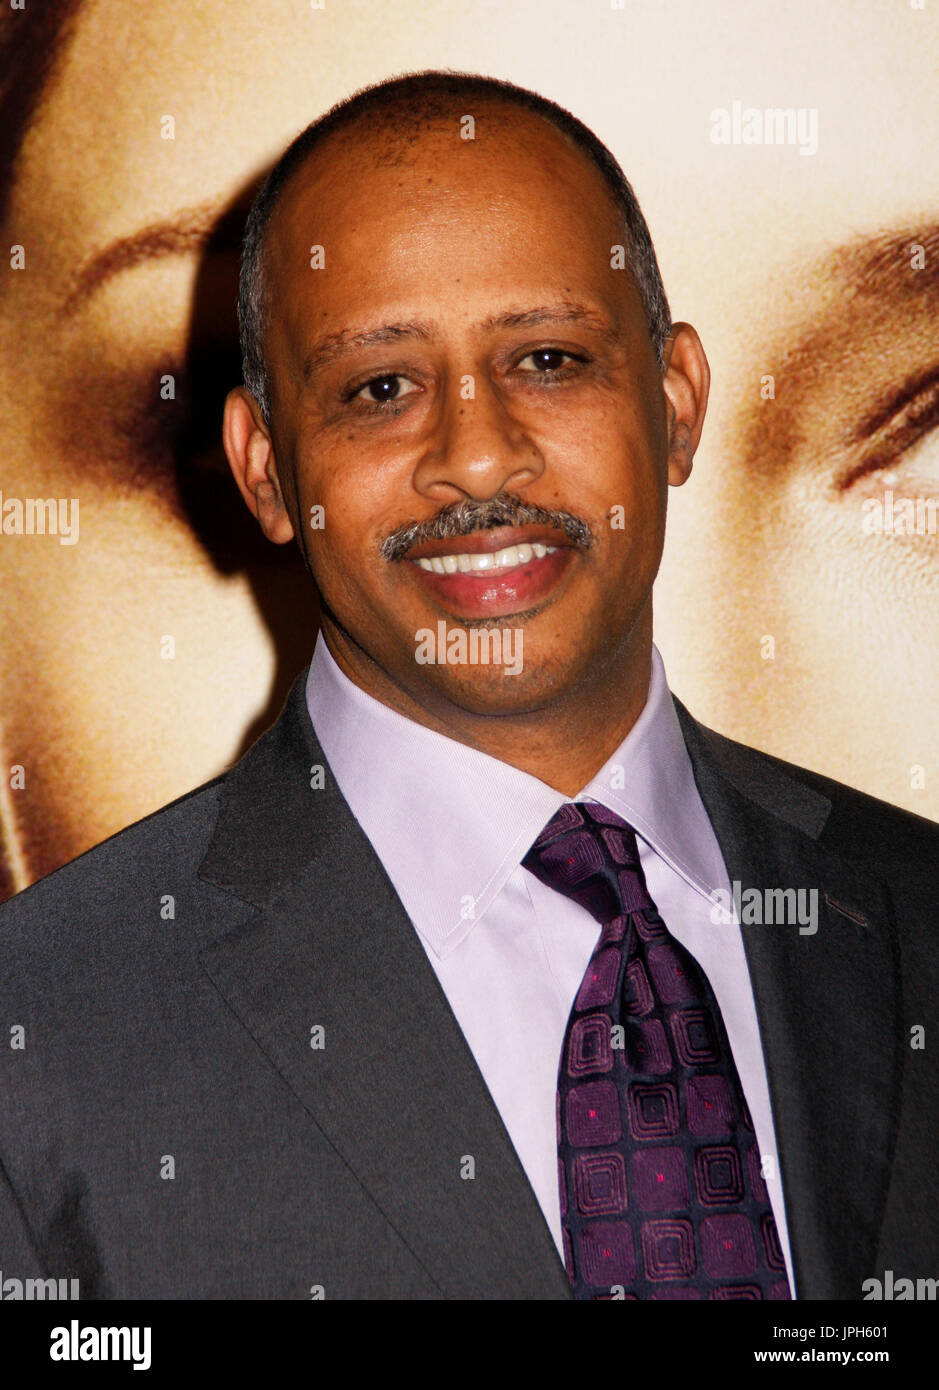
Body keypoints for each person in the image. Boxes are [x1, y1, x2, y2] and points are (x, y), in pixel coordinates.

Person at [0, 71, 935, 1301]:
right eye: (380, 388)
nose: (477, 454)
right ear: (266, 470)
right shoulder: (44, 1032)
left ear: (674, 404)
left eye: (547, 359)